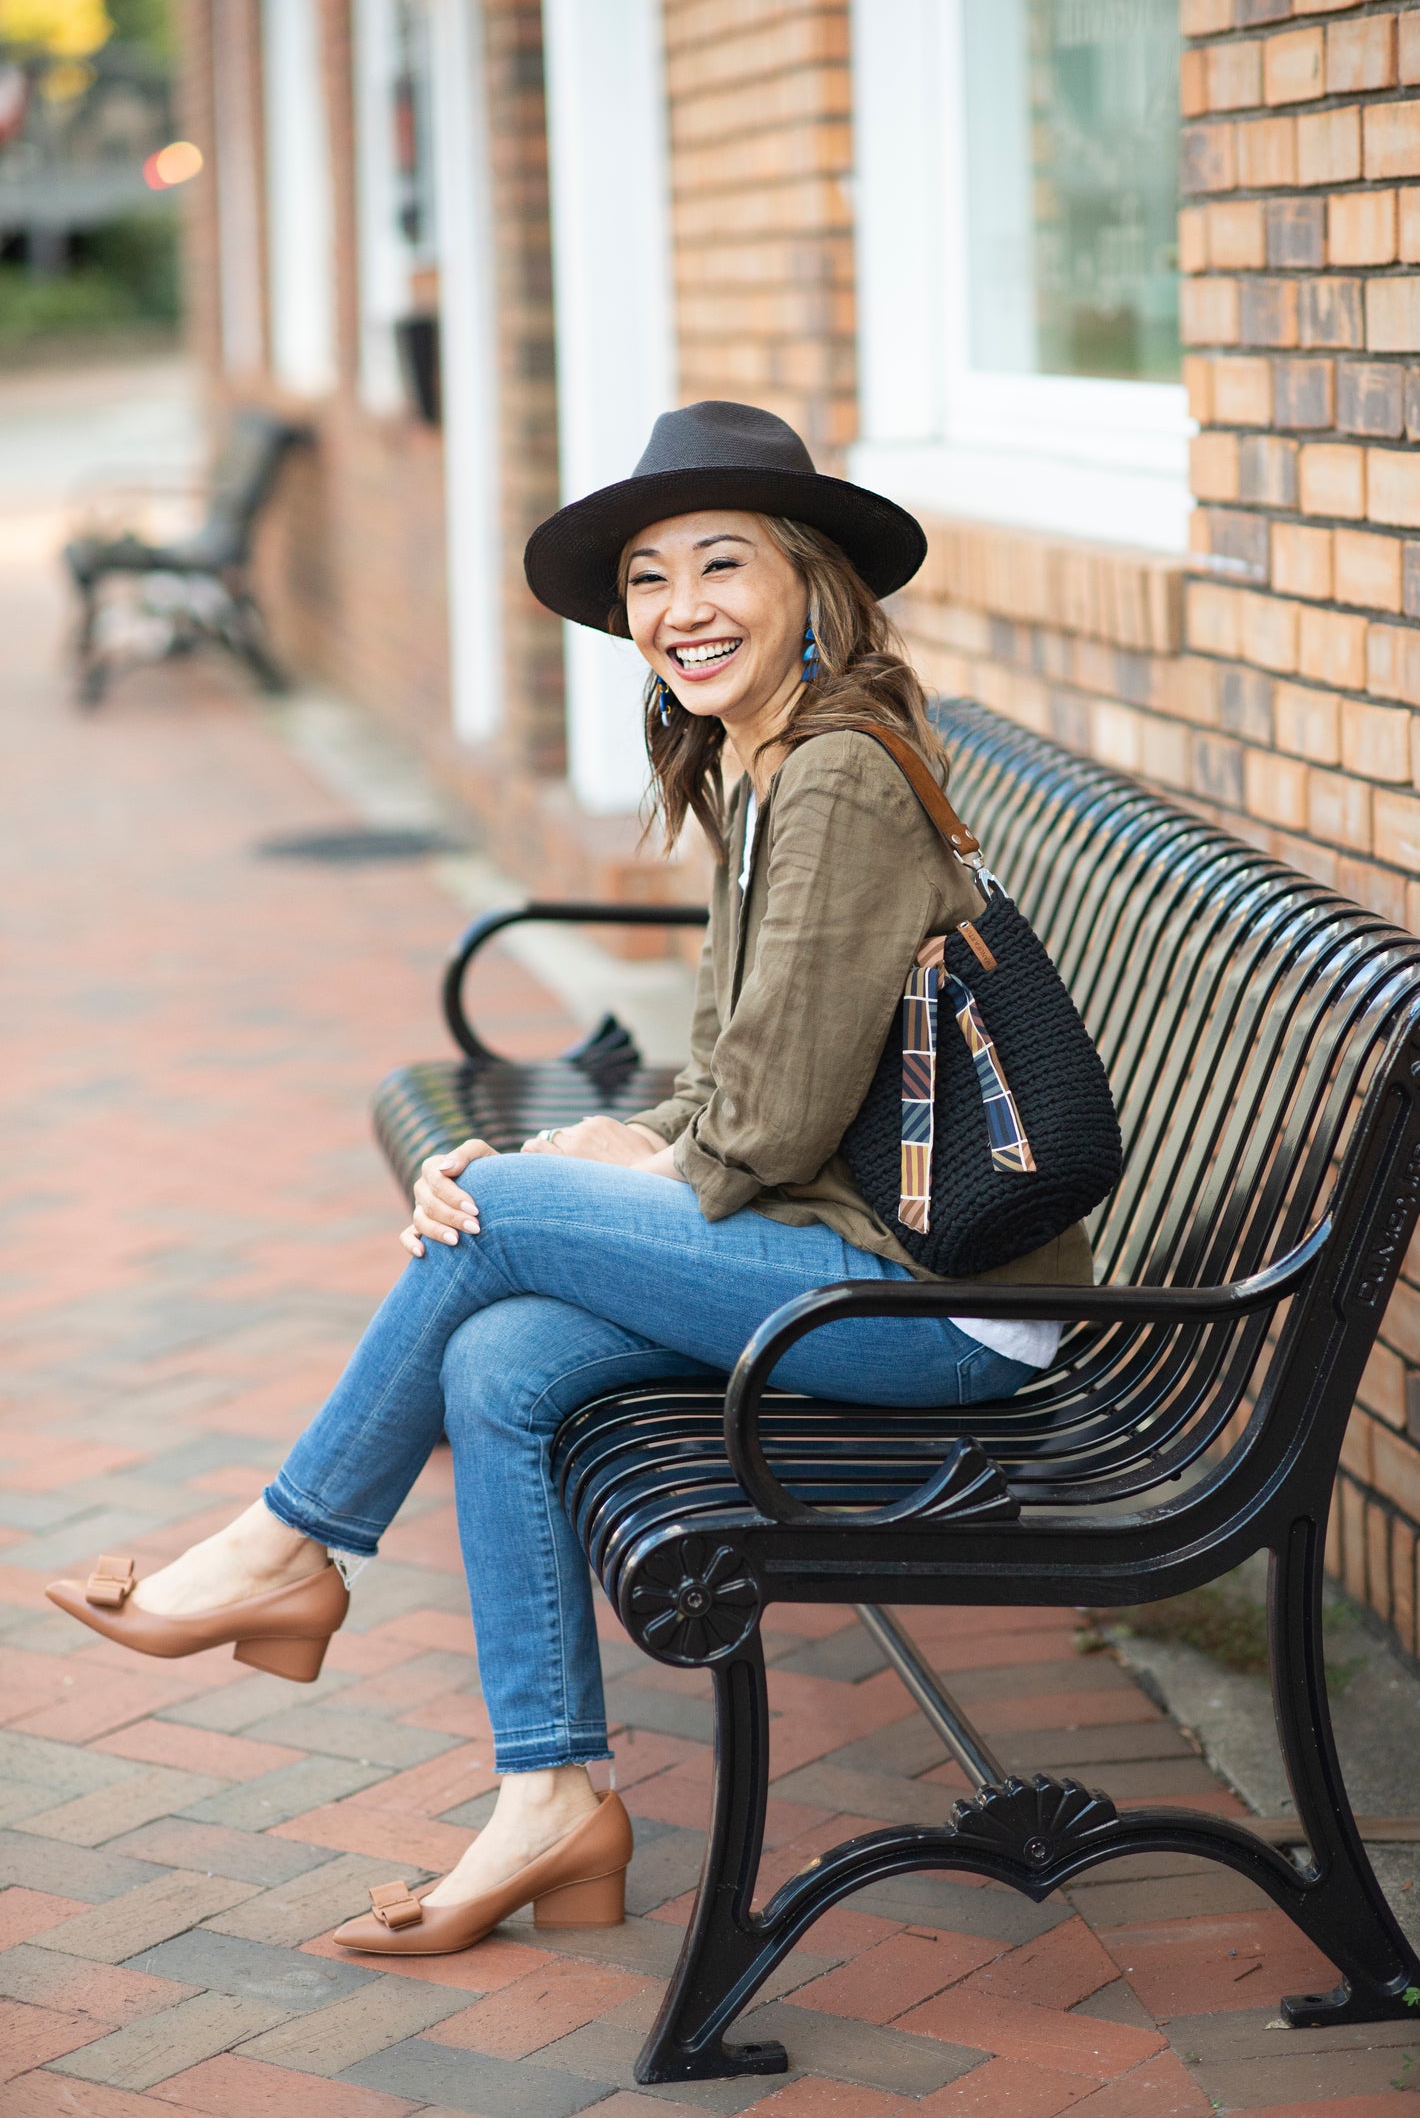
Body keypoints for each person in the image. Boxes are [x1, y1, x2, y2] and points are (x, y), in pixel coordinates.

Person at [45, 401, 1092, 1958]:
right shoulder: (764, 765)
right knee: (501, 1347)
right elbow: (755, 1079)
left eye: (721, 565)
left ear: (810, 577)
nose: (682, 611)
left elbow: (777, 1124)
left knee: (503, 1209)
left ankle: (292, 1546)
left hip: (943, 1306)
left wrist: (594, 1164)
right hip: (845, 1255)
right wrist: (624, 1152)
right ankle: (554, 1796)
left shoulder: (838, 777)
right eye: (652, 582)